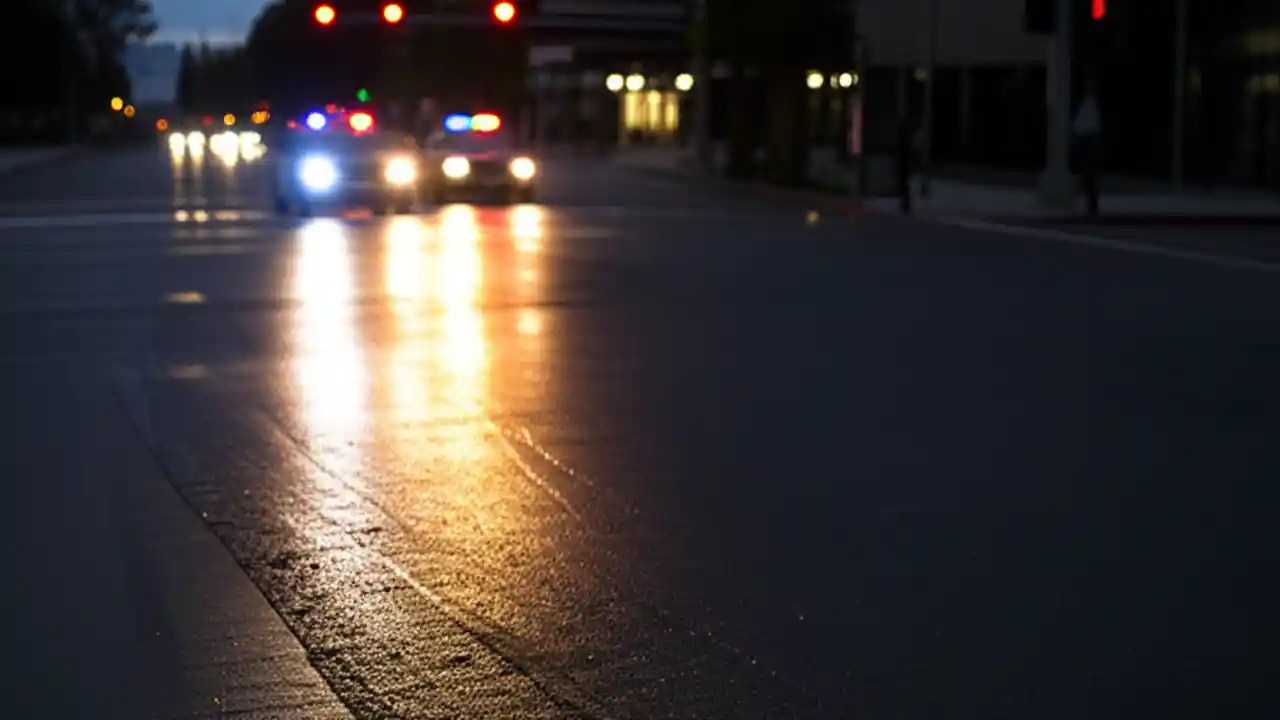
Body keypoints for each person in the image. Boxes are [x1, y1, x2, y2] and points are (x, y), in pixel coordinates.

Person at [1073, 91, 1102, 218]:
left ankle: (1092, 204)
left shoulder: (1089, 105)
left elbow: (1082, 125)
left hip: (1088, 140)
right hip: (1088, 140)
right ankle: (1091, 203)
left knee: (1089, 174)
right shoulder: (1089, 105)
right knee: (1089, 174)